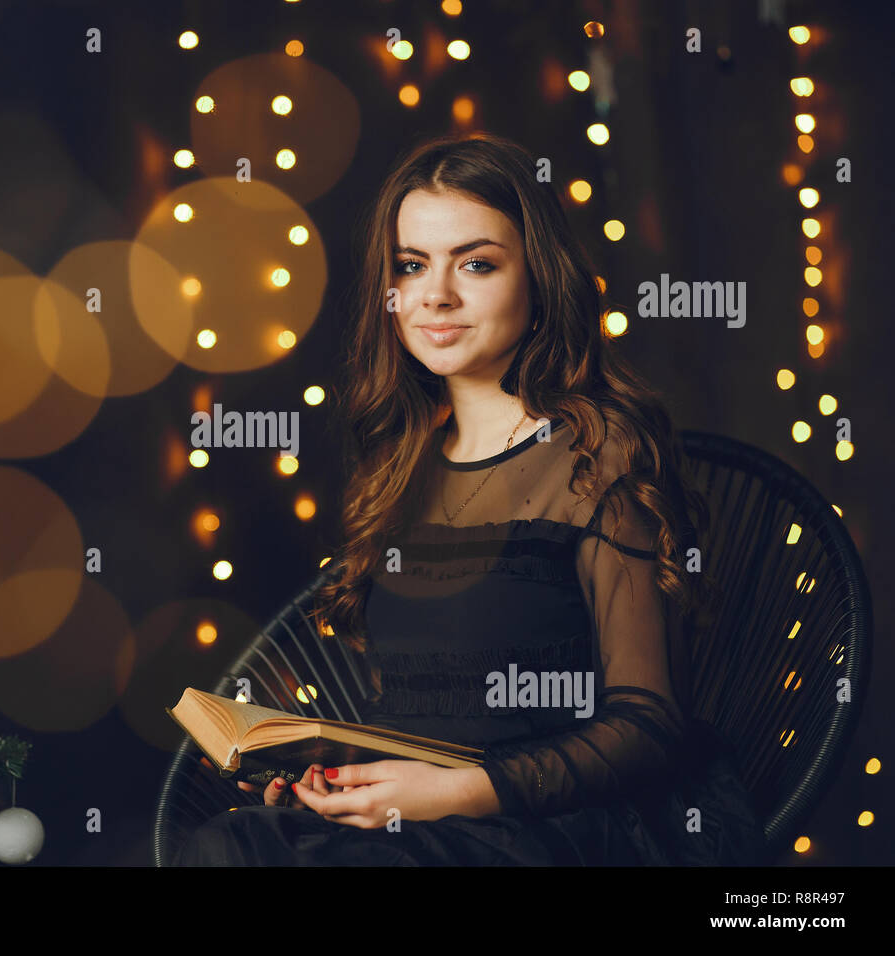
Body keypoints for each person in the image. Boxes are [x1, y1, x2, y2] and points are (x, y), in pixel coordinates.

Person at [173, 132, 767, 866]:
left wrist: (454, 793)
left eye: (477, 264)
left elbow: (647, 727)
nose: (437, 296)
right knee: (228, 847)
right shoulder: (401, 465)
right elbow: (422, 713)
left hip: (552, 825)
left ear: (538, 279)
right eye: (412, 266)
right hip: (420, 827)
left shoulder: (596, 457)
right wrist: (334, 780)